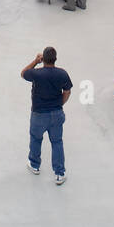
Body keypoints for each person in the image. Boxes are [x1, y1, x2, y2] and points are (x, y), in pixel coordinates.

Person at [21, 47, 72, 183]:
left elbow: (23, 73)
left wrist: (35, 61)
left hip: (38, 114)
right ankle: (59, 173)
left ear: (43, 59)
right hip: (56, 114)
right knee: (57, 142)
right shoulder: (62, 74)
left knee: (36, 139)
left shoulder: (36, 74)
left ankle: (34, 165)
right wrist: (60, 104)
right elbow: (67, 91)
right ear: (55, 59)